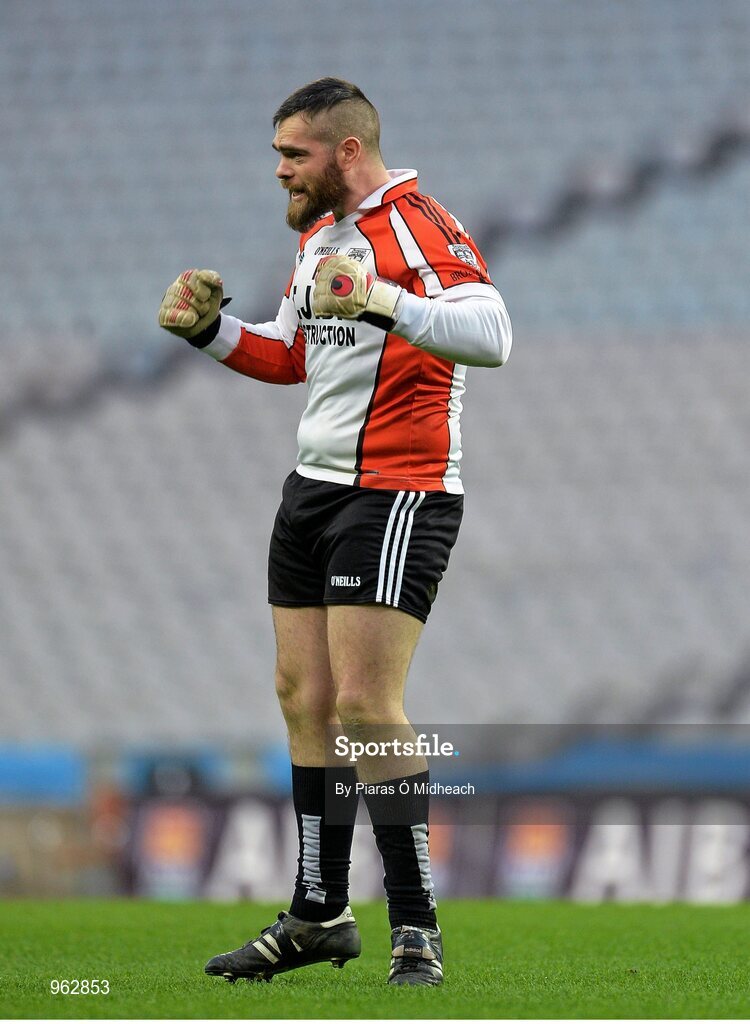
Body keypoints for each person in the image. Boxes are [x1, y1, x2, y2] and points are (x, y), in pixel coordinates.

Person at [158, 77, 511, 987]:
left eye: (294, 154)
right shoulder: (323, 237)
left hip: (397, 491)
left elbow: (494, 332)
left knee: (363, 705)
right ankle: (319, 913)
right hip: (311, 488)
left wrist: (389, 305)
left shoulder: (417, 224)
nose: (280, 171)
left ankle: (417, 928)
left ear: (346, 151)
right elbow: (292, 354)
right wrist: (209, 332)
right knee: (302, 697)